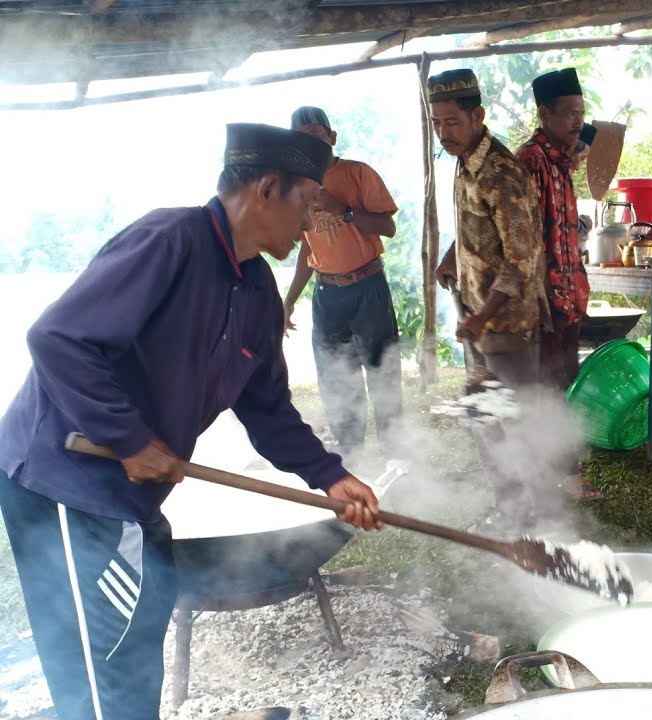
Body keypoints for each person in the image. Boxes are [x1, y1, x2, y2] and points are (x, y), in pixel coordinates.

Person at [0, 123, 382, 719]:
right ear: (265, 188)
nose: (310, 224)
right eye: (306, 204)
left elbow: (268, 409)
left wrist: (330, 477)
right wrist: (129, 438)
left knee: (144, 618)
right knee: (104, 664)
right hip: (66, 481)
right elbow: (57, 339)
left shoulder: (256, 288)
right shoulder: (169, 241)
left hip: (130, 494)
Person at [283, 106, 403, 461]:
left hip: (368, 286)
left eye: (318, 137)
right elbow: (308, 247)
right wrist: (289, 300)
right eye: (303, 140)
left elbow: (389, 227)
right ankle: (350, 451)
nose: (312, 145)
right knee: (336, 374)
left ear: (332, 138)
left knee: (382, 367)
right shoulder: (297, 185)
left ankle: (396, 451)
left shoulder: (357, 173)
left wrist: (344, 210)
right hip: (327, 291)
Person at [429, 69, 547, 389]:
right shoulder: (465, 160)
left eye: (451, 122)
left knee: (517, 427)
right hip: (478, 318)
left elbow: (521, 261)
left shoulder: (502, 175)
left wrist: (482, 317)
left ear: (477, 115)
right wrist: (452, 257)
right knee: (487, 418)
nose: (443, 132)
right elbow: (476, 225)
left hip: (508, 325)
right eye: (436, 122)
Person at [517, 68, 601, 500]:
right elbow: (524, 239)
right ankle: (557, 480)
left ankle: (558, 477)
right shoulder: (531, 161)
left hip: (567, 297)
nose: (577, 122)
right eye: (569, 114)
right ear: (545, 114)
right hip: (546, 300)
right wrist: (539, 303)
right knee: (547, 390)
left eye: (580, 114)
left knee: (558, 385)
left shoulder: (560, 163)